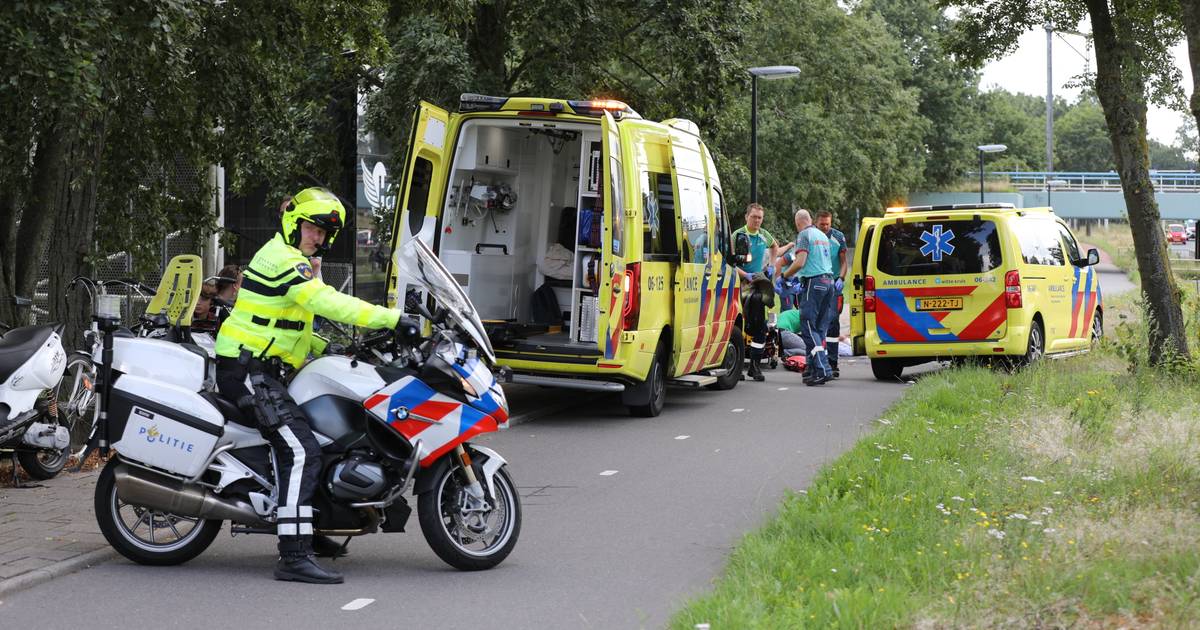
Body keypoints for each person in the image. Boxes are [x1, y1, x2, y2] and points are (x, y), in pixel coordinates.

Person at [213, 187, 413, 585]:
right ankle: (293, 554)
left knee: (324, 439)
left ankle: (315, 529)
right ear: (294, 222)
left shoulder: (292, 259)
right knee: (301, 449)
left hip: (264, 368)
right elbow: (327, 303)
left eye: (323, 233)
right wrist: (392, 319)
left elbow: (288, 322)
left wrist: (335, 348)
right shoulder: (283, 259)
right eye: (312, 228)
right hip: (247, 370)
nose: (317, 238)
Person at [781, 209, 834, 386]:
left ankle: (822, 369)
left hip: (814, 283)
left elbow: (800, 262)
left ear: (797, 223)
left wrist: (785, 276)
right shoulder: (822, 235)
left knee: (808, 327)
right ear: (810, 219)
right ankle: (811, 369)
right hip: (829, 283)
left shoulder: (804, 235)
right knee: (819, 329)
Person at [731, 203, 779, 381]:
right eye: (754, 217)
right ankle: (737, 367)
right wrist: (745, 275)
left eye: (760, 217)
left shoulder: (764, 235)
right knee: (739, 325)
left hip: (758, 282)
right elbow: (730, 262)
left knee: (760, 326)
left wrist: (772, 266)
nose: (757, 220)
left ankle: (755, 366)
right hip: (740, 284)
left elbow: (775, 246)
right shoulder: (738, 235)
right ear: (746, 217)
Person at [815, 211, 848, 378]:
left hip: (834, 282)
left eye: (827, 224)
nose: (825, 227)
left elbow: (843, 262)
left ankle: (833, 363)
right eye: (822, 224)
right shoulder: (810, 235)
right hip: (816, 283)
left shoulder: (838, 237)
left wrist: (841, 278)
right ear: (816, 222)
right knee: (816, 322)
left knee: (833, 321)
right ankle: (818, 361)